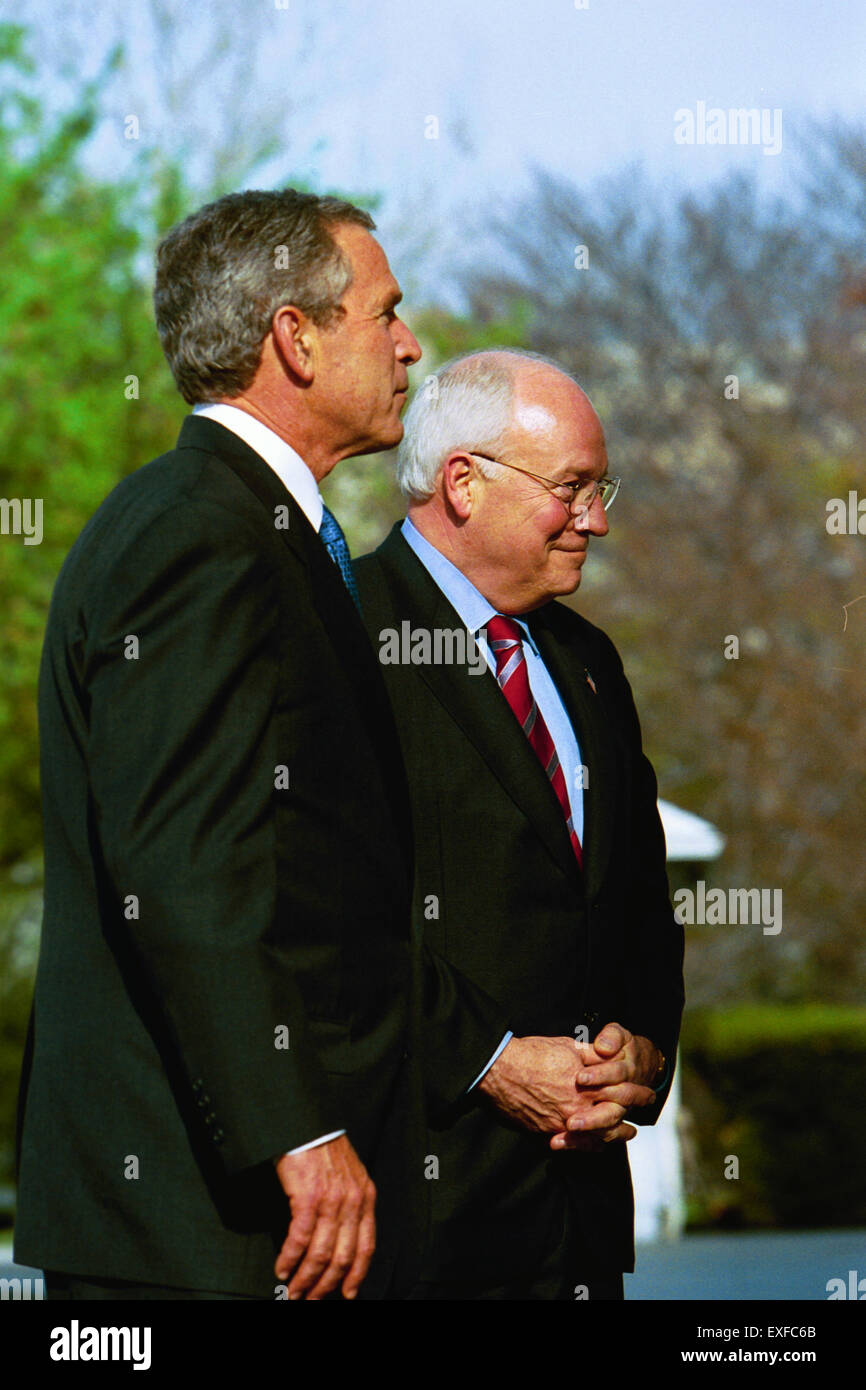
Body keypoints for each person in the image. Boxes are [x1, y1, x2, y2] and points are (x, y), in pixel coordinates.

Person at [15, 188, 431, 1301]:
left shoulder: (255, 525)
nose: (410, 343)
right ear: (293, 339)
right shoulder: (199, 535)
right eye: (383, 313)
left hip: (250, 1221)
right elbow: (186, 872)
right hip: (205, 1233)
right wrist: (297, 1131)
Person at [355, 350, 686, 1300]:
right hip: (419, 1227)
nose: (599, 518)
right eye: (572, 488)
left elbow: (636, 900)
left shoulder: (589, 660)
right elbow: (324, 917)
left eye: (601, 486)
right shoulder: (342, 635)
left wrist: (644, 1052)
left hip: (577, 1228)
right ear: (463, 482)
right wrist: (490, 1063)